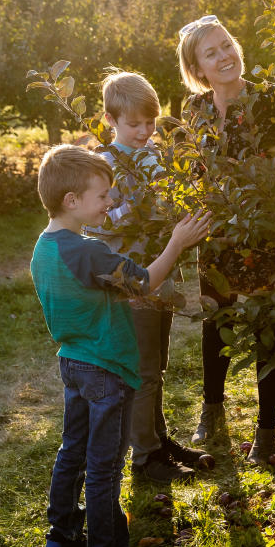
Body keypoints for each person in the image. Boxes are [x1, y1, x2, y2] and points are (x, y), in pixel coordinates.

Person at [30, 144, 211, 547]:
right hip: (107, 368)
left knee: (71, 452)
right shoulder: (89, 253)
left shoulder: (44, 245)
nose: (110, 202)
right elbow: (145, 282)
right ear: (72, 201)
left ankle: (61, 539)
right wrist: (177, 242)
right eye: (102, 196)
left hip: (73, 363)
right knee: (105, 465)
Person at [175, 14, 275, 462]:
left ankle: (267, 430)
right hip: (217, 237)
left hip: (269, 233)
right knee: (216, 321)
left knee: (270, 328)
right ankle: (211, 412)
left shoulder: (270, 100)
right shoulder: (193, 110)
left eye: (227, 44)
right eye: (211, 52)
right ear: (197, 70)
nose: (224, 56)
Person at [88, 70, 214, 483]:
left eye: (150, 123)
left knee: (155, 366)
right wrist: (145, 204)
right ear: (110, 121)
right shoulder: (103, 164)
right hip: (129, 281)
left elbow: (167, 205)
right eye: (134, 124)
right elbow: (98, 220)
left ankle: (159, 440)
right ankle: (144, 457)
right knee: (141, 371)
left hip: (158, 276)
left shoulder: (155, 155)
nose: (144, 132)